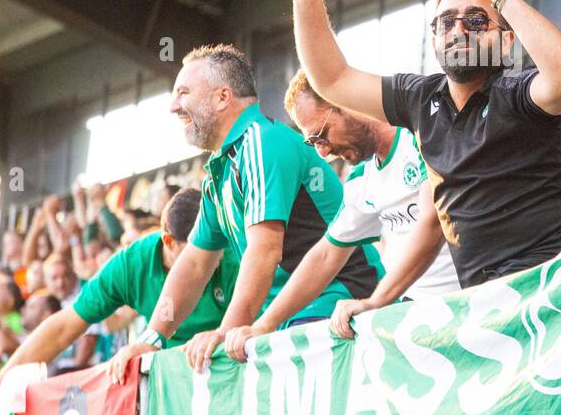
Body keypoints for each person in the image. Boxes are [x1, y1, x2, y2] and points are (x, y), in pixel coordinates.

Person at [288, 0, 561, 338]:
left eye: (476, 21)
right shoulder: (419, 99)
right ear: (434, 42)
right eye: (445, 22)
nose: (458, 30)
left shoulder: (519, 92)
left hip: (560, 295)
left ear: (505, 40)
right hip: (487, 312)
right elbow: (332, 79)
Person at [107, 42, 368, 376]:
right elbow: (196, 262)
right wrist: (154, 337)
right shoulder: (221, 168)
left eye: (183, 92)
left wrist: (225, 328)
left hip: (338, 293)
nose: (174, 106)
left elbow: (264, 249)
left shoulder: (262, 142)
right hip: (288, 310)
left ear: (222, 97)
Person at [228, 70, 457, 340]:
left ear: (349, 103)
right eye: (313, 143)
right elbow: (325, 256)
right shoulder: (362, 178)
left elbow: (433, 225)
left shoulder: (418, 136)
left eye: (321, 134)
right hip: (414, 315)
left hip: (468, 301)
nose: (323, 152)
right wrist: (263, 327)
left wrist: (376, 301)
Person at [0, 190, 225, 408]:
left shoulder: (232, 248)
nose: (209, 257)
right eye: (194, 251)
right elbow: (64, 327)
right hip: (173, 390)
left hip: (229, 373)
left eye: (213, 246)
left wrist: (223, 334)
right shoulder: (130, 265)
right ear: (167, 241)